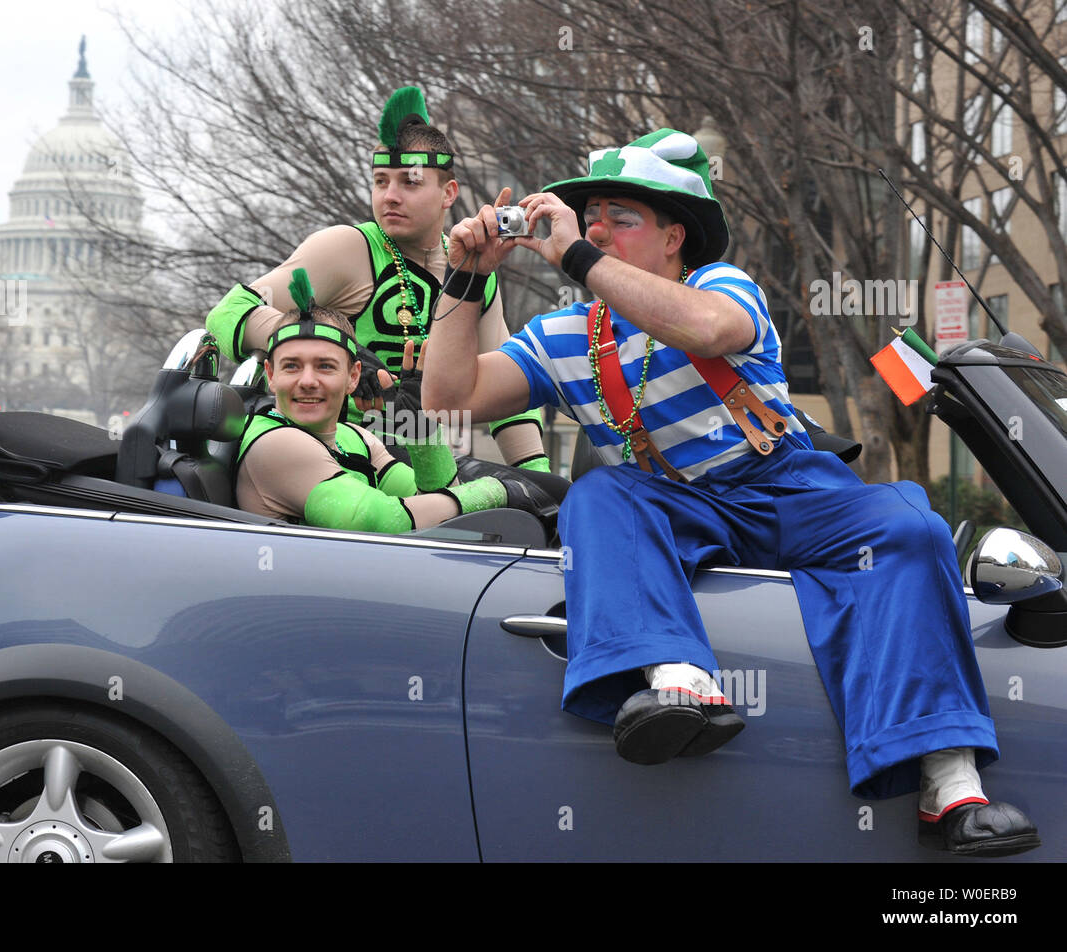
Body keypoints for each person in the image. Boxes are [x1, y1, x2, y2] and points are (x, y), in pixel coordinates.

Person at [420, 128, 1040, 857]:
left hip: (792, 487)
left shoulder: (720, 285)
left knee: (910, 524)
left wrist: (578, 257)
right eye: (590, 219)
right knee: (600, 496)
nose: (594, 232)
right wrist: (464, 277)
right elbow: (446, 396)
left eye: (621, 219)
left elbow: (706, 330)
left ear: (675, 236)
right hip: (678, 508)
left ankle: (951, 783)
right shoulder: (562, 335)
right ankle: (680, 686)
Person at [206, 86, 551, 472]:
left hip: (437, 466)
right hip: (339, 461)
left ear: (448, 192)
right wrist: (336, 345)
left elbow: (507, 393)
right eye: (381, 180)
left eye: (410, 182)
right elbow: (226, 315)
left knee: (532, 500)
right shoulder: (346, 248)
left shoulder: (475, 268)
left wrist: (537, 481)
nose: (390, 196)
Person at [234, 269, 554, 533]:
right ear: (270, 375)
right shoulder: (276, 441)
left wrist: (422, 431)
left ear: (353, 377)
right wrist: (496, 491)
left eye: (325, 366)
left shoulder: (356, 436)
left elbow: (440, 505)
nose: (307, 380)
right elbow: (375, 519)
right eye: (292, 366)